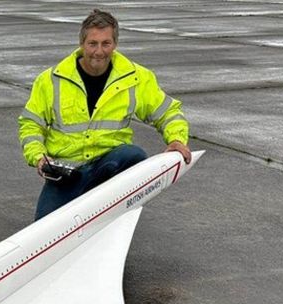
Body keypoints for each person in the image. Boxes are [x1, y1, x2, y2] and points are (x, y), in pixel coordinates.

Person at [18, 9, 191, 220]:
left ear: (115, 44)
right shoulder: (50, 80)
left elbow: (168, 112)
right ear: (82, 44)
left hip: (109, 167)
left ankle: (109, 211)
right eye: (93, 43)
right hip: (67, 173)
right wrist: (39, 158)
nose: (99, 51)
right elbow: (31, 124)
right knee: (46, 229)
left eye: (106, 43)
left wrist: (176, 140)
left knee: (133, 155)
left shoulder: (135, 78)